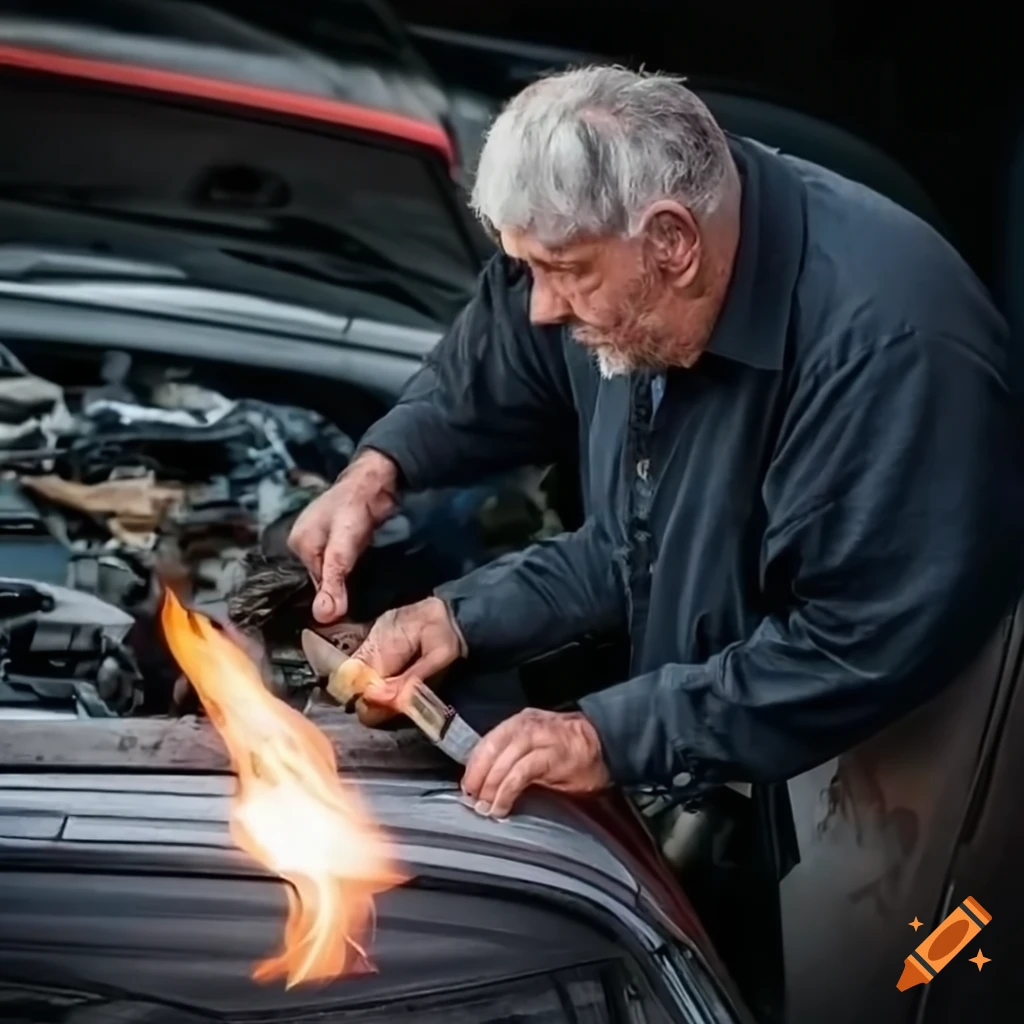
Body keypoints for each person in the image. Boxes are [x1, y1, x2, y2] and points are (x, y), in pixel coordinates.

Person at [289, 66, 1023, 822]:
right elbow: (625, 538)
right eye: (528, 267)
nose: (542, 306)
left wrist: (610, 736)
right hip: (709, 763)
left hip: (864, 813)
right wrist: (389, 488)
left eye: (563, 272)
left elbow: (853, 649)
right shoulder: (625, 256)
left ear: (672, 242)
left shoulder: (893, 357)